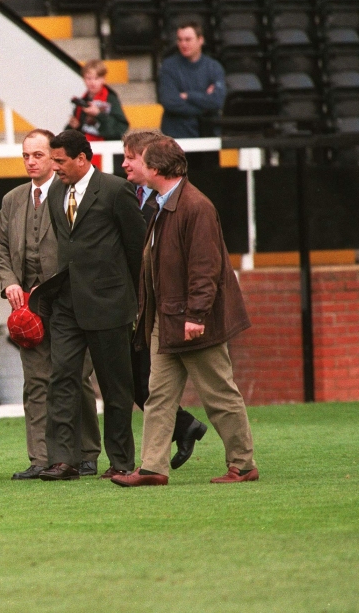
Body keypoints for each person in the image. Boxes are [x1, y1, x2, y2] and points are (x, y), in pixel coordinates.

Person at [113, 138, 257, 487]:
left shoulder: (195, 207)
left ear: (157, 169)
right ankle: (152, 468)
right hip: (169, 319)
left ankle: (243, 463)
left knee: (218, 393)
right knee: (158, 395)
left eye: (141, 161)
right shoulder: (167, 204)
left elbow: (205, 268)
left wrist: (196, 315)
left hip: (193, 321)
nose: (133, 166)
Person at [0, 129, 102, 480]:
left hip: (71, 304)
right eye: (26, 156)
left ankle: (86, 454)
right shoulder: (12, 199)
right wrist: (9, 281)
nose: (30, 162)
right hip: (29, 311)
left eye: (37, 155)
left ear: (53, 158)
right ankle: (40, 458)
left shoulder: (72, 195)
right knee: (36, 382)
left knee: (76, 379)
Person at [39, 130, 146, 481]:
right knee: (61, 379)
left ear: (82, 159)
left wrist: (135, 299)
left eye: (59, 161)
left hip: (109, 303)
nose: (54, 168)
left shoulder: (116, 190)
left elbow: (136, 248)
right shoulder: (56, 191)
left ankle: (120, 462)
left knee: (116, 387)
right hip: (67, 303)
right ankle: (63, 460)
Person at [121, 129, 209, 468]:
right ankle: (183, 430)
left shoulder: (182, 200)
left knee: (210, 387)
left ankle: (239, 458)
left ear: (150, 160)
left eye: (131, 157)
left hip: (169, 309)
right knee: (138, 382)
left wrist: (194, 311)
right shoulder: (125, 194)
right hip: (136, 305)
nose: (125, 163)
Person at [158, 22, 227, 138]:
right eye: (180, 40)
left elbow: (217, 101)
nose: (183, 44)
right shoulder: (168, 67)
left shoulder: (214, 67)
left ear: (200, 40)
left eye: (188, 39)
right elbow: (170, 102)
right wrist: (205, 102)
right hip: (176, 137)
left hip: (207, 137)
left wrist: (189, 96)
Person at [66, 59, 129, 169]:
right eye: (88, 78)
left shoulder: (111, 98)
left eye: (96, 78)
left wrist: (99, 114)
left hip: (108, 155)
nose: (92, 82)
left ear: (103, 79)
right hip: (86, 153)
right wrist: (75, 126)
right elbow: (78, 132)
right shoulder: (82, 100)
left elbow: (121, 127)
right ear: (84, 79)